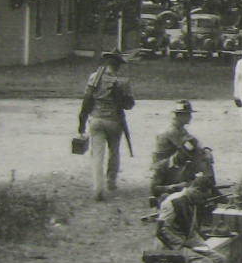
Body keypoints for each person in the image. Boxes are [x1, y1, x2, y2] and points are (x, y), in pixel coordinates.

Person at [156, 180, 232, 263]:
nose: (203, 200)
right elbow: (162, 231)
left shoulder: (192, 202)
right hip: (169, 246)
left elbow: (192, 230)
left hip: (187, 243)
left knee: (220, 260)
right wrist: (181, 246)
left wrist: (202, 246)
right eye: (202, 197)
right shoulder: (173, 201)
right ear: (195, 190)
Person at [78, 51, 135, 201]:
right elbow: (129, 105)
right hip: (114, 121)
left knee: (97, 155)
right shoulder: (123, 82)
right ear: (118, 66)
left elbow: (86, 101)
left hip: (96, 119)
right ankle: (111, 182)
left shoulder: (94, 78)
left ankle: (98, 188)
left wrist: (81, 123)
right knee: (114, 152)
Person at [149, 100, 215, 207]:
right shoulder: (172, 131)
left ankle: (209, 189)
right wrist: (204, 153)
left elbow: (194, 143)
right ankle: (210, 189)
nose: (190, 117)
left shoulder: (179, 129)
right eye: (188, 114)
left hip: (173, 164)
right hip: (165, 168)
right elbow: (190, 147)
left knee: (203, 158)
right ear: (180, 116)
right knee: (203, 160)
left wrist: (205, 150)